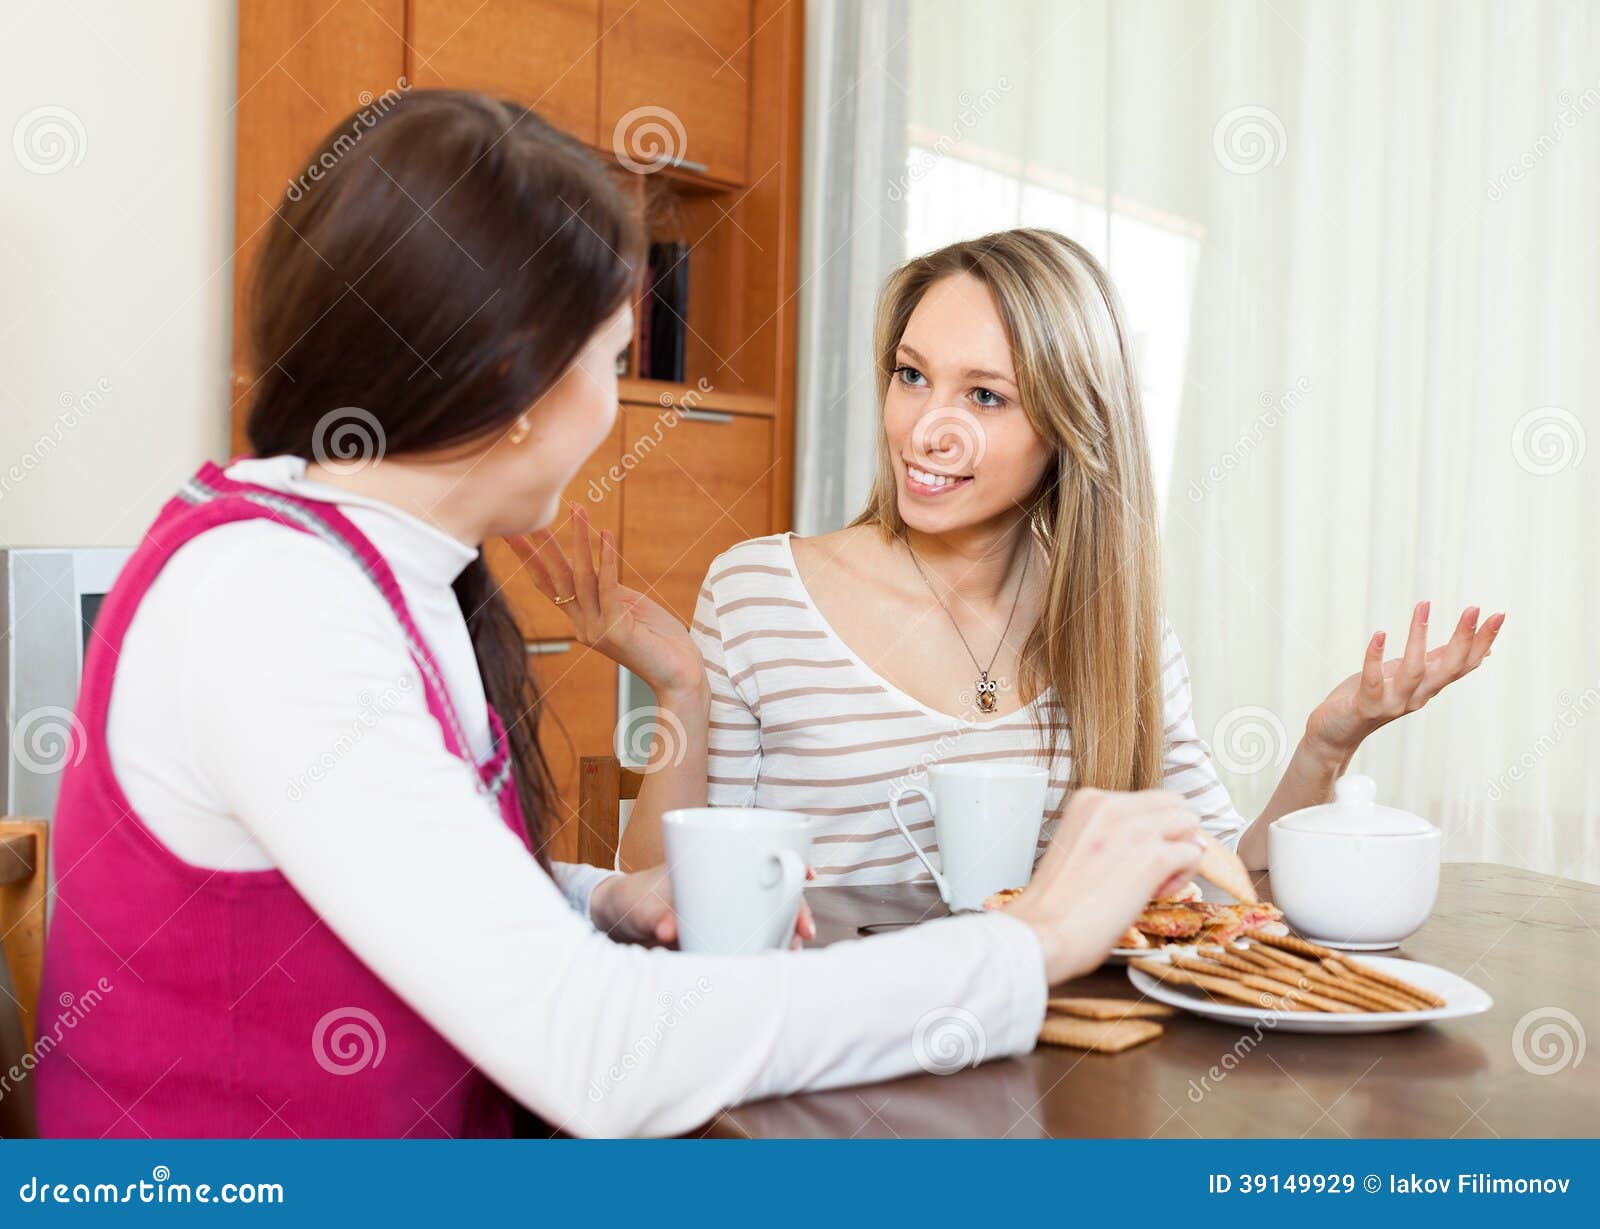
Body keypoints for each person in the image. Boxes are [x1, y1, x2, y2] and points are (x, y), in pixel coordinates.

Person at [37, 92, 1205, 1140]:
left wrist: (599, 895)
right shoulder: (275, 604)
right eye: (610, 357)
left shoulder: (361, 570)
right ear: (509, 374)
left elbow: (401, 875)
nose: (614, 406)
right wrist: (1030, 943)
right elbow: (599, 1053)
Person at [523, 228, 1502, 878]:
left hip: (1039, 1074)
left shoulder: (1116, 632)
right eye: (912, 375)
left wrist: (1326, 747)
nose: (926, 429)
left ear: (1069, 425)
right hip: (825, 1064)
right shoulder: (760, 592)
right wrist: (682, 692)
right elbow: (658, 900)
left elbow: (1221, 884)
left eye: (984, 396)